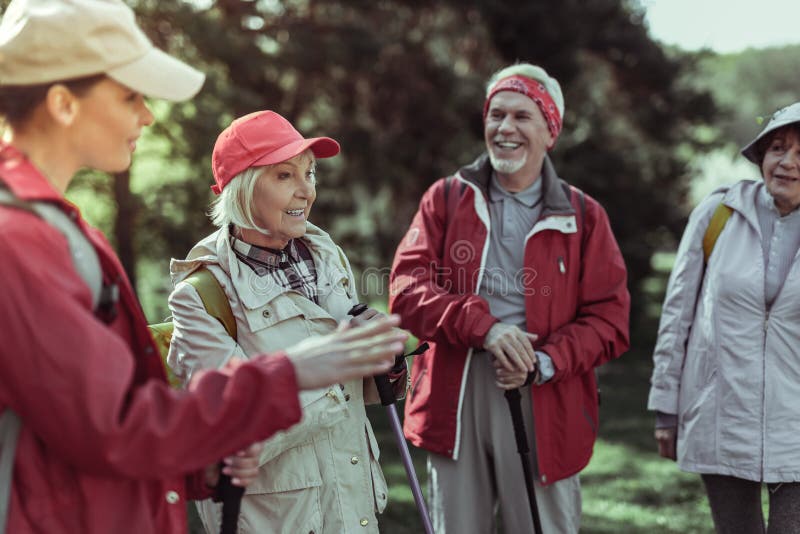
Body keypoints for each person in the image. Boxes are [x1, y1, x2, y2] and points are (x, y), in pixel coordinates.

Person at [0, 1, 406, 533]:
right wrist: (297, 373)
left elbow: (105, 425)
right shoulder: (21, 242)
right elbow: (118, 429)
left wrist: (206, 466)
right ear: (62, 103)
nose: (146, 114)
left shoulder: (56, 229)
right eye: (128, 94)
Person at [389, 62, 630, 533]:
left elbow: (610, 320)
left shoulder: (584, 215)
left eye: (522, 116)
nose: (505, 128)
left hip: (545, 390)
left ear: (550, 131)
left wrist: (542, 361)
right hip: (456, 393)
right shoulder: (446, 198)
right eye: (496, 115)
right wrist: (487, 328)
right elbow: (405, 289)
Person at [167, 109, 406, 534]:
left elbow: (358, 396)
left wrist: (382, 360)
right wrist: (335, 366)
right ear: (241, 190)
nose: (306, 192)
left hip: (356, 513)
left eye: (310, 174)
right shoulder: (199, 297)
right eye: (284, 176)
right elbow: (227, 439)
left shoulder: (326, 255)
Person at [648, 102, 800, 533]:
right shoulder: (719, 214)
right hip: (722, 415)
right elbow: (677, 313)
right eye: (778, 148)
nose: (787, 162)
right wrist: (666, 407)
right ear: (761, 156)